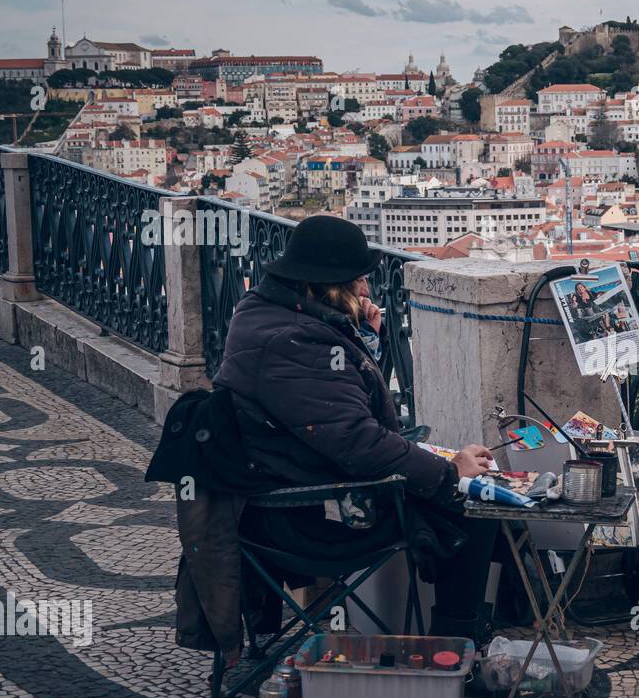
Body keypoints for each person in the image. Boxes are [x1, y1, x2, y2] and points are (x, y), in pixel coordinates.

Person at [212, 214, 499, 643]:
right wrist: (449, 472)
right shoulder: (298, 342)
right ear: (331, 286)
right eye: (360, 280)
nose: (367, 289)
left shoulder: (262, 311)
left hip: (275, 490)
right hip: (298, 516)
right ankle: (453, 650)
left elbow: (340, 403)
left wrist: (363, 340)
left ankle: (465, 635)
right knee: (473, 510)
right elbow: (356, 440)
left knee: (455, 497)